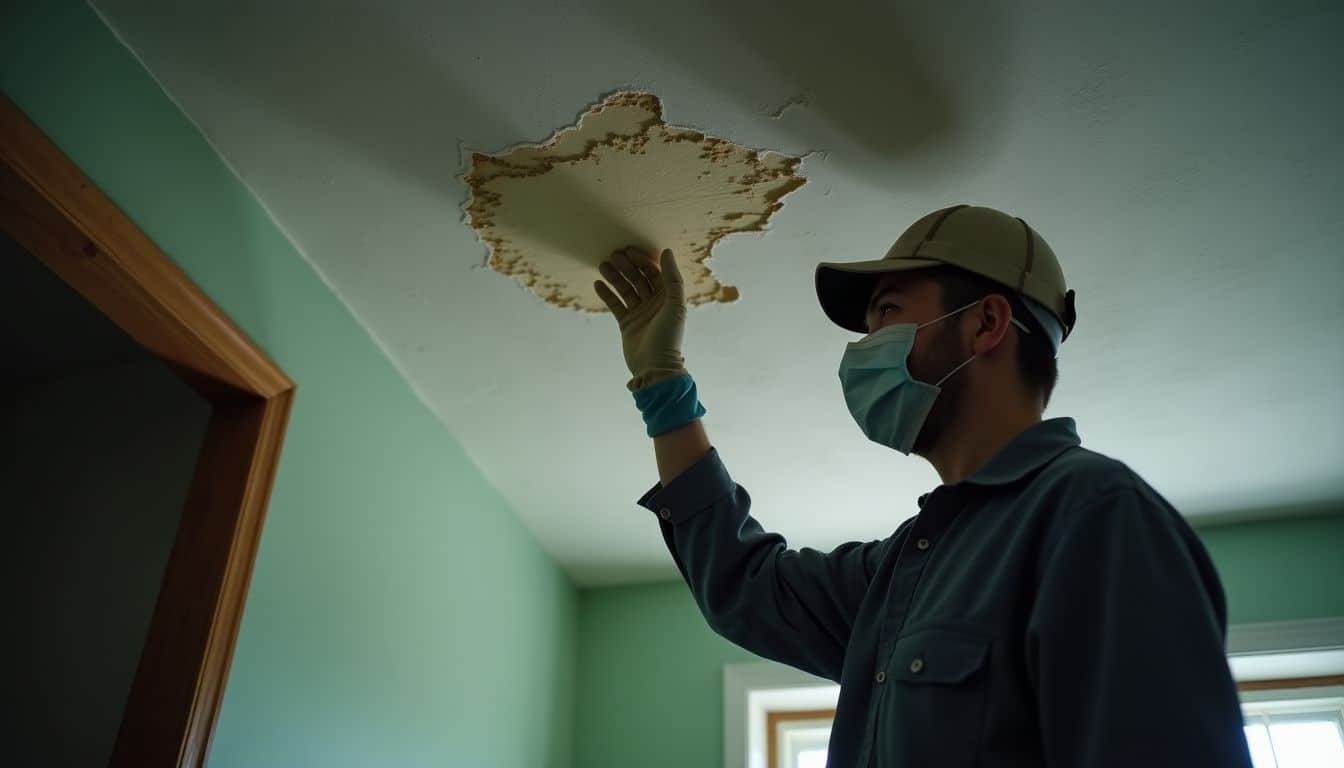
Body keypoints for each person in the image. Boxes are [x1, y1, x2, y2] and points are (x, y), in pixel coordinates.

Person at [593, 204, 1253, 767]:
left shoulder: (1094, 514)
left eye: (887, 313)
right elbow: (746, 586)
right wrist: (662, 382)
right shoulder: (906, 568)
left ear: (986, 324)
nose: (866, 344)